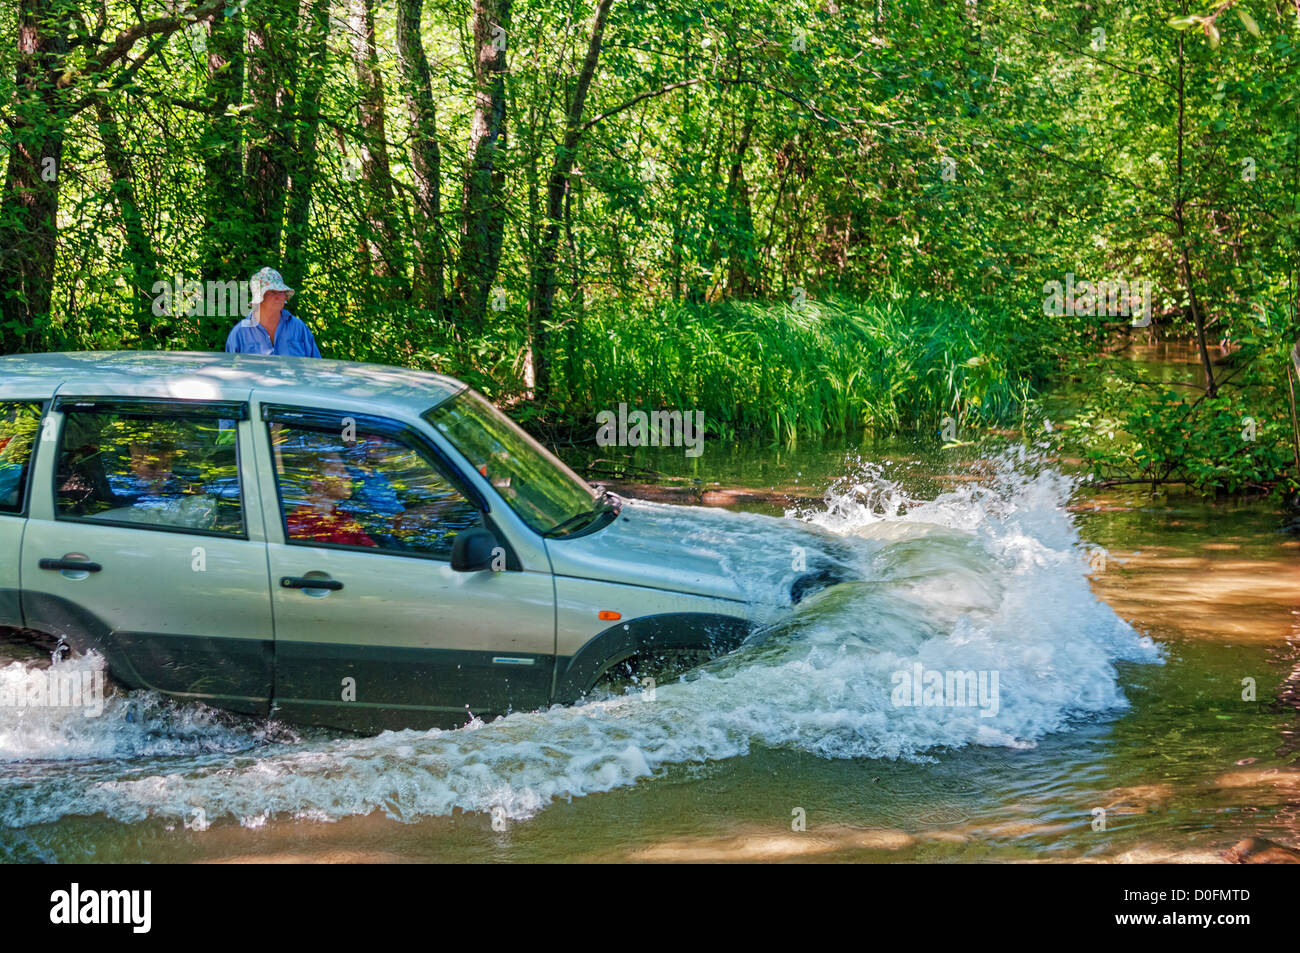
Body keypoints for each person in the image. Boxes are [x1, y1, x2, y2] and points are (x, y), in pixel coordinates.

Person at [224, 267, 322, 357]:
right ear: (259, 298)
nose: (279, 297)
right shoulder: (240, 333)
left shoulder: (298, 328)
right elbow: (229, 368)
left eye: (281, 291)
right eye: (272, 292)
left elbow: (316, 365)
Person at [285, 454, 377, 547]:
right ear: (317, 482)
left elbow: (370, 547)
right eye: (339, 471)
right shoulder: (302, 522)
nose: (348, 476)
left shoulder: (342, 515)